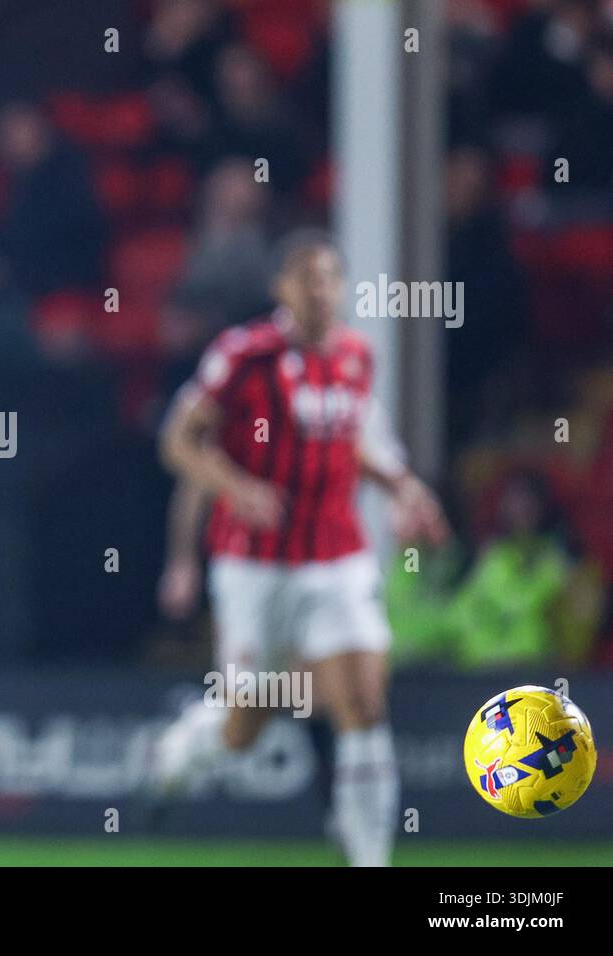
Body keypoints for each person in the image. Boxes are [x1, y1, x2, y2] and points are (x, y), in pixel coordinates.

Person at [151, 230, 447, 866]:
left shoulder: (356, 357)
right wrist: (235, 487)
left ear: (341, 286)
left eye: (329, 278)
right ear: (281, 288)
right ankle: (188, 743)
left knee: (365, 703)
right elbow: (177, 440)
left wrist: (406, 490)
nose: (319, 291)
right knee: (245, 725)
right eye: (306, 279)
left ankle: (370, 860)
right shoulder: (242, 355)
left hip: (337, 556)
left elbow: (354, 443)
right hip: (254, 566)